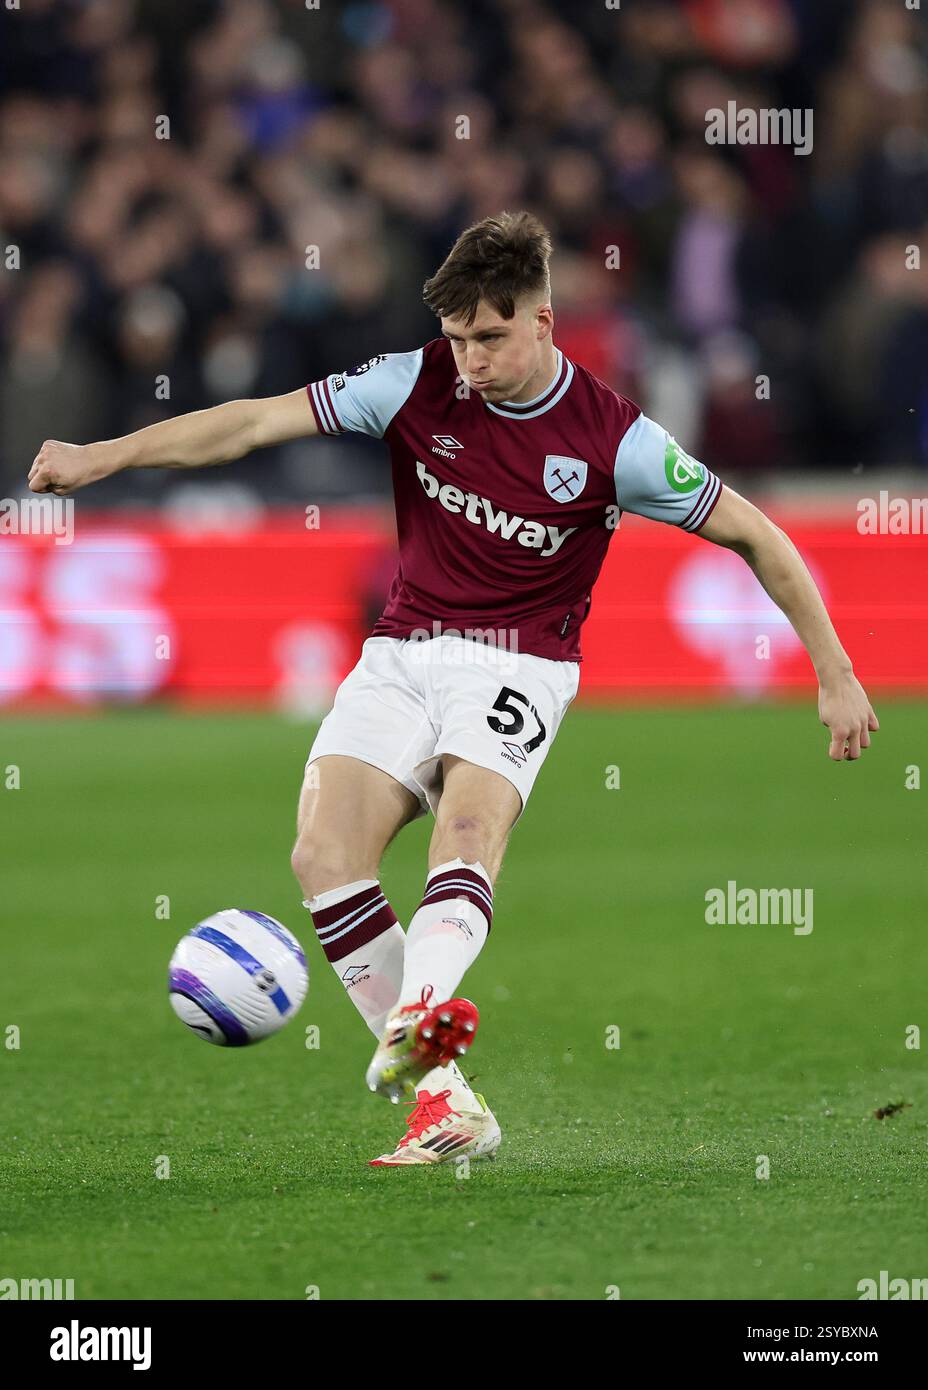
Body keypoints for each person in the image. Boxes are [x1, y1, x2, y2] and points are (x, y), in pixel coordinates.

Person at [28, 210, 879, 1166]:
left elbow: (758, 535)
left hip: (520, 660)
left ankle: (420, 1014)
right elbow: (253, 422)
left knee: (466, 831)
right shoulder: (412, 382)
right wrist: (105, 457)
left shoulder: (615, 440)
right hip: (403, 649)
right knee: (323, 854)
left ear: (545, 322)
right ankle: (444, 1099)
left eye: (491, 337)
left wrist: (835, 670)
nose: (469, 360)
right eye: (459, 338)